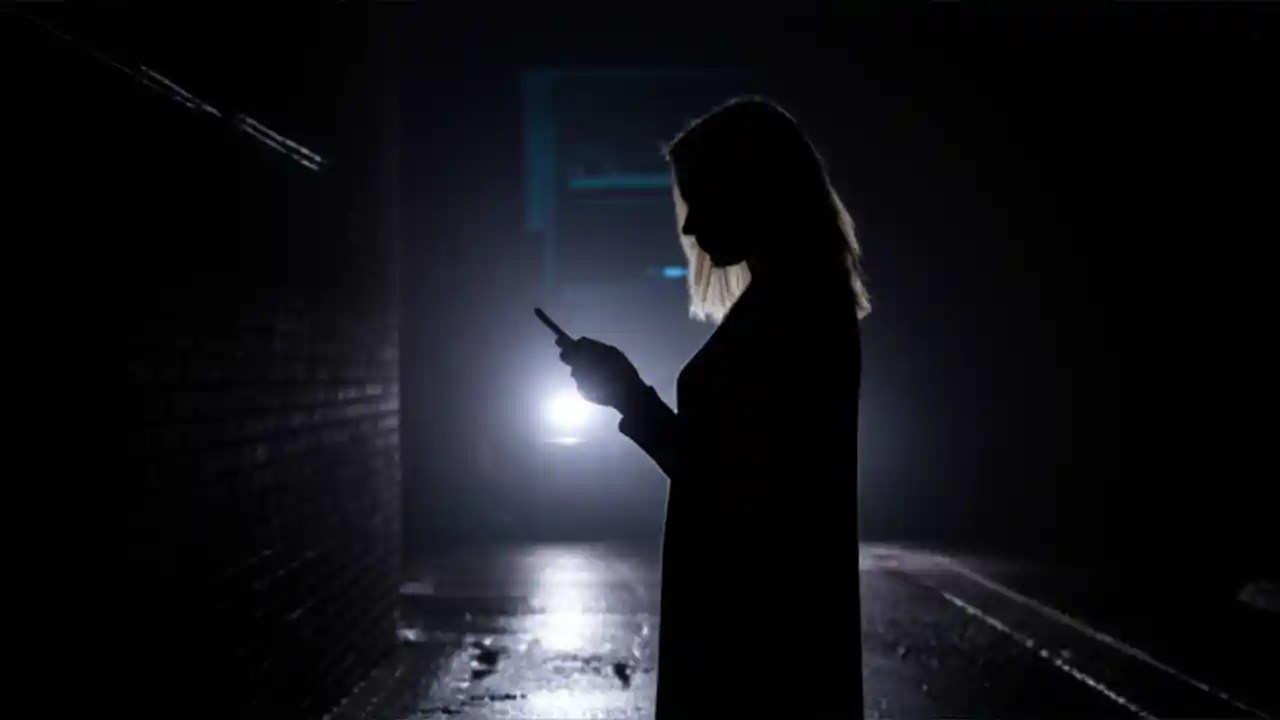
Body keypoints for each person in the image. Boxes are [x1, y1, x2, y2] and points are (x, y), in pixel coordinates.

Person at [556, 96, 871, 719]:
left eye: (702, 197)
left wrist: (628, 397)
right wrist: (630, 396)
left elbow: (733, 486)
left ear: (751, 193)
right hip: (764, 618)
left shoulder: (793, 314)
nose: (693, 224)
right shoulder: (798, 302)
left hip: (754, 626)